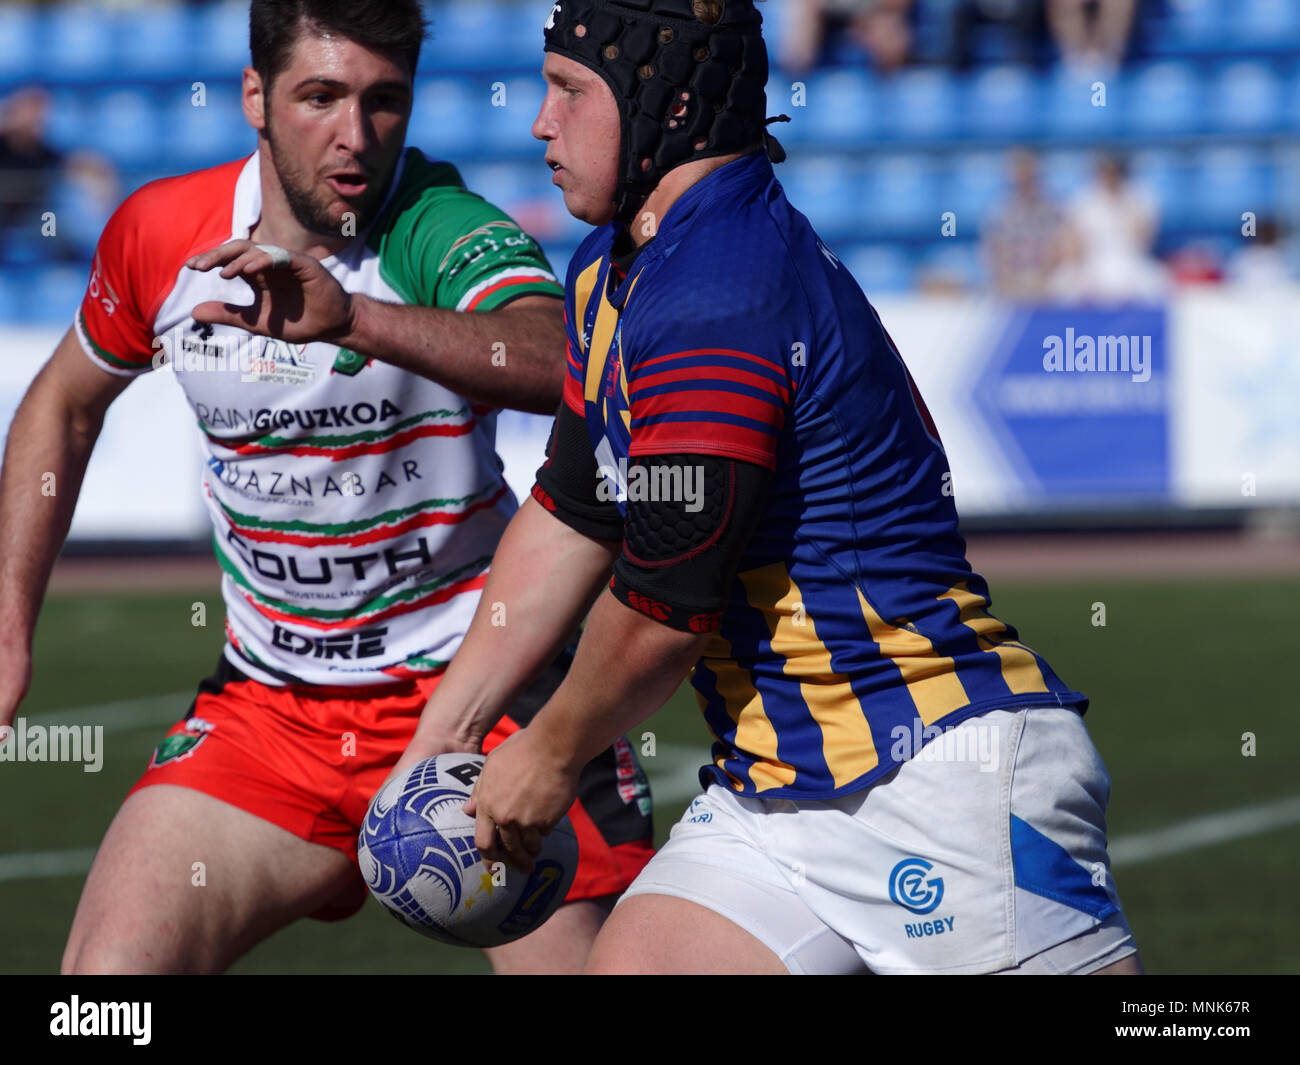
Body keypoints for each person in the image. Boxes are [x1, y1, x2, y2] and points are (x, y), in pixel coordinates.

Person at [392, 0, 1144, 975]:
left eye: (570, 90)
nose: (539, 121)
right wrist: (442, 733)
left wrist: (546, 752)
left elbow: (665, 600)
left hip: (930, 768)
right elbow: (573, 512)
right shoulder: (610, 272)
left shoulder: (717, 289)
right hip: (776, 790)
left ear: (661, 101)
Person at [0, 0, 653, 975]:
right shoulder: (163, 231)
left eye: (385, 100)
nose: (356, 136)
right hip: (269, 711)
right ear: (256, 98)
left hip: (483, 698)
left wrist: (357, 319)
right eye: (322, 96)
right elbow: (63, 403)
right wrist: (10, 622)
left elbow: (559, 356)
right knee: (105, 992)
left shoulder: (439, 225)